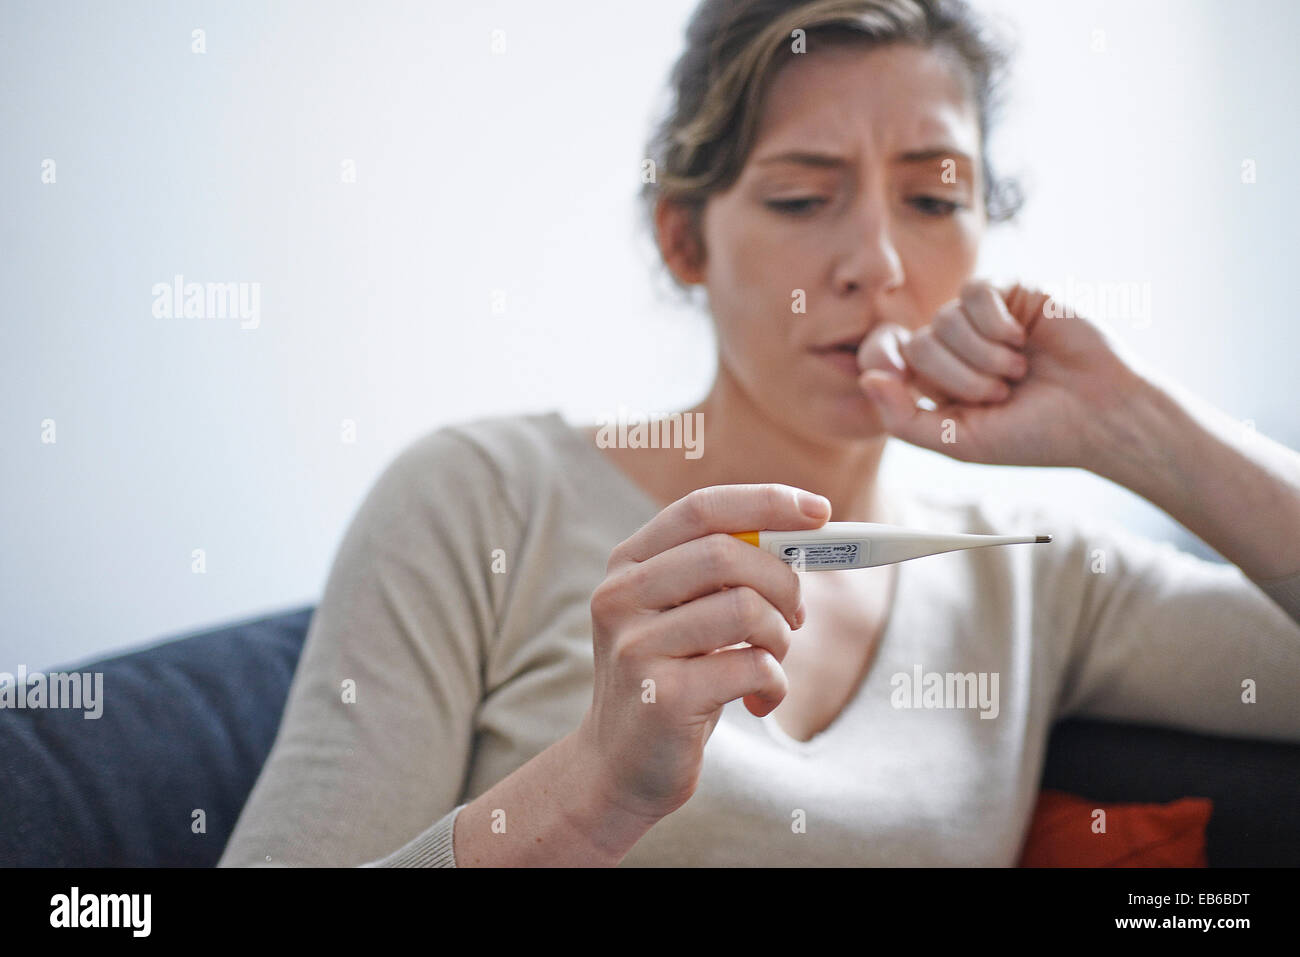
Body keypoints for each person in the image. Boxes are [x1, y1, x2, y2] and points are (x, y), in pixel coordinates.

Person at [218, 0, 1300, 867]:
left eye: (932, 198)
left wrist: (1143, 429)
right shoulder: (480, 498)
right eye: (798, 199)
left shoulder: (1033, 574)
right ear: (684, 239)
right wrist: (587, 793)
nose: (874, 262)